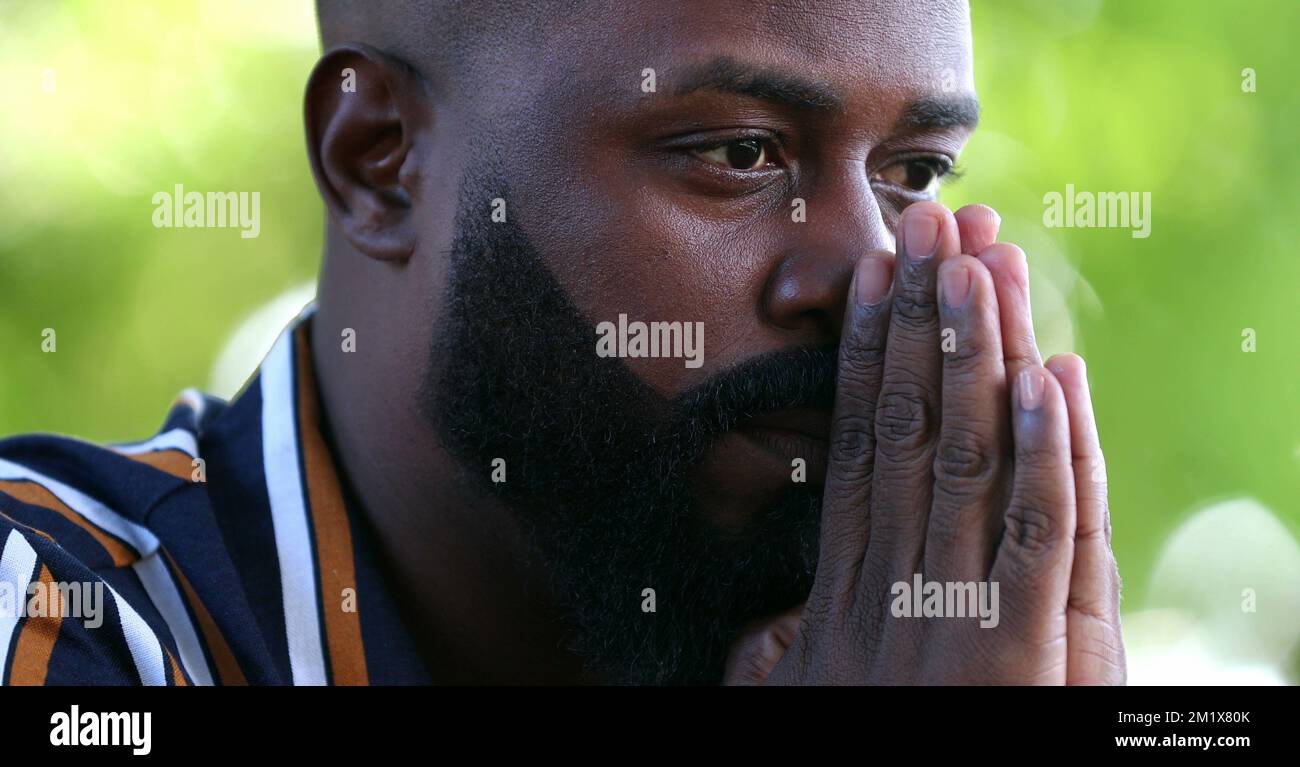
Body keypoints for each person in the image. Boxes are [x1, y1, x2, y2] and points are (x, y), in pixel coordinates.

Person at [0, 0, 1124, 685]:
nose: (862, 271)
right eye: (739, 153)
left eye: (914, 172)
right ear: (377, 158)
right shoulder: (48, 618)